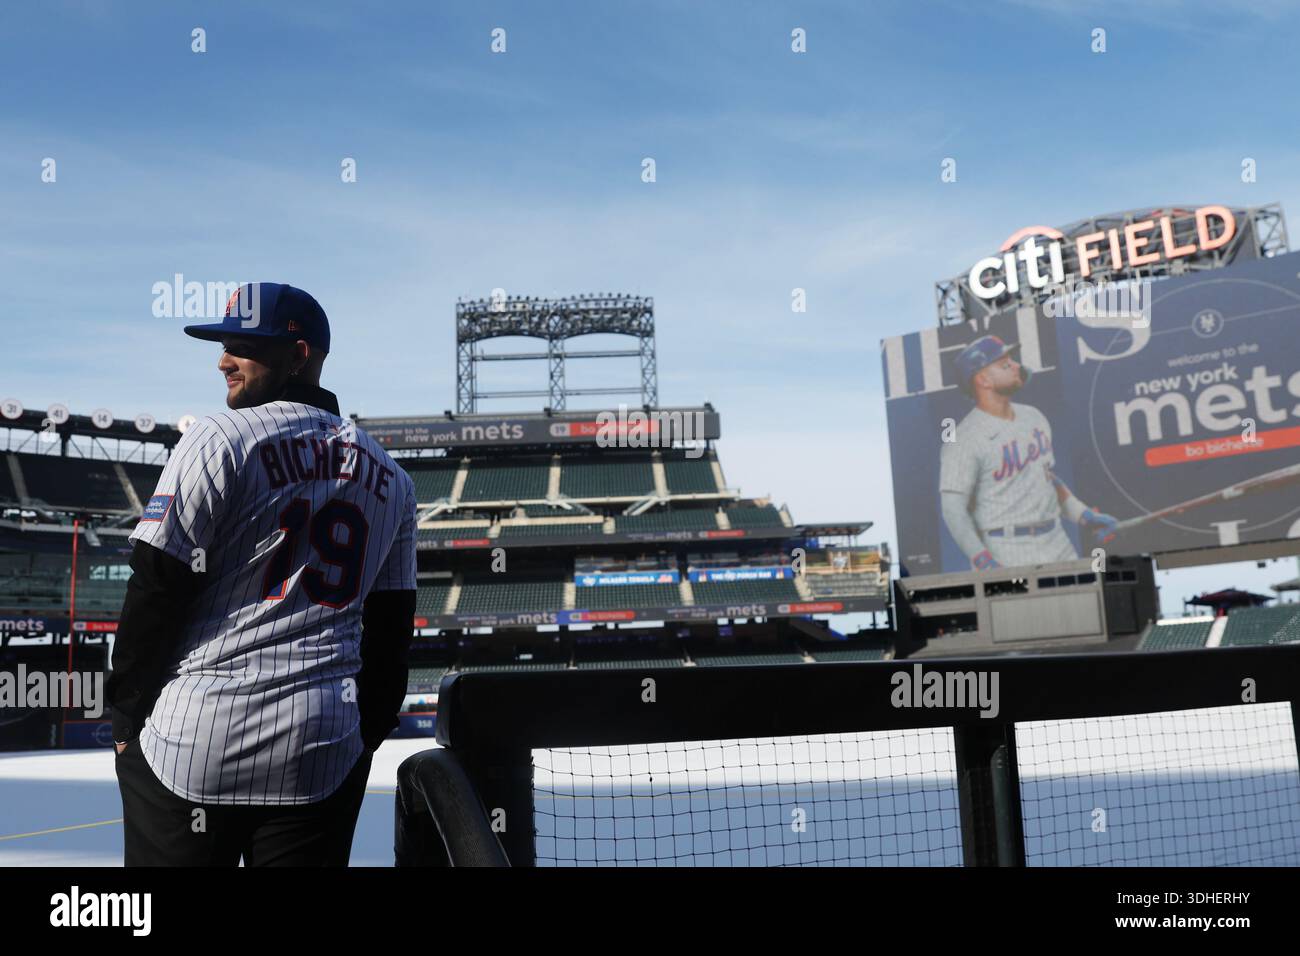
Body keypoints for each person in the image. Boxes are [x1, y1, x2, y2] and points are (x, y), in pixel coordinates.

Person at [107, 282, 417, 866]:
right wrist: (363, 735)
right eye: (224, 344)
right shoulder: (392, 476)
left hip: (195, 738)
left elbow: (156, 586)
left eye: (244, 346)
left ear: (299, 356)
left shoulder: (217, 438)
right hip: (318, 746)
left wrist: (125, 719)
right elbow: (391, 630)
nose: (223, 359)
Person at [939, 335, 1118, 571]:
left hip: (1056, 540)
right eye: (1005, 364)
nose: (1016, 367)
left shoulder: (1033, 416)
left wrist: (1082, 514)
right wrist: (981, 557)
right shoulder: (964, 438)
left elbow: (1045, 478)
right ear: (983, 380)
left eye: (1011, 361)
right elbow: (952, 508)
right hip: (1004, 547)